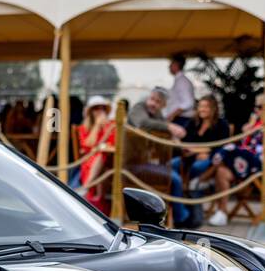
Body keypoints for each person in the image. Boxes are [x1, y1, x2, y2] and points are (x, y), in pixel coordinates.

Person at [203, 94, 265, 227]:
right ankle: (221, 212)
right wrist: (250, 128)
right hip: (246, 165)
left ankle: (203, 180)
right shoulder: (258, 123)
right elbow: (245, 144)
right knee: (222, 171)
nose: (256, 110)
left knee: (228, 151)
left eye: (259, 107)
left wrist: (255, 151)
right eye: (256, 107)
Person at [127, 88, 193, 227]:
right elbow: (143, 123)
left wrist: (180, 146)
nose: (153, 104)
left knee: (179, 163)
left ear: (163, 105)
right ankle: (182, 217)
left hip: (150, 162)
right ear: (148, 98)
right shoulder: (139, 108)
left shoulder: (157, 115)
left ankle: (181, 210)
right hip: (134, 164)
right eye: (152, 99)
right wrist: (169, 126)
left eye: (158, 102)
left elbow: (167, 136)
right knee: (174, 178)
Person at [77, 96, 116, 212]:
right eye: (96, 108)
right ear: (90, 112)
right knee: (100, 159)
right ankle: (98, 199)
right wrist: (97, 126)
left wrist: (106, 129)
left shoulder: (111, 125)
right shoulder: (84, 127)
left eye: (102, 108)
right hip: (91, 161)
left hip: (110, 162)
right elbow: (89, 145)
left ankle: (86, 189)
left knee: (101, 157)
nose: (100, 111)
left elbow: (112, 145)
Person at [165, 54, 196, 130]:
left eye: (171, 64)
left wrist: (172, 115)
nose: (169, 67)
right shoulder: (180, 80)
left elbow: (188, 103)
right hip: (180, 119)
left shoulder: (182, 81)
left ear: (176, 65)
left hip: (182, 120)